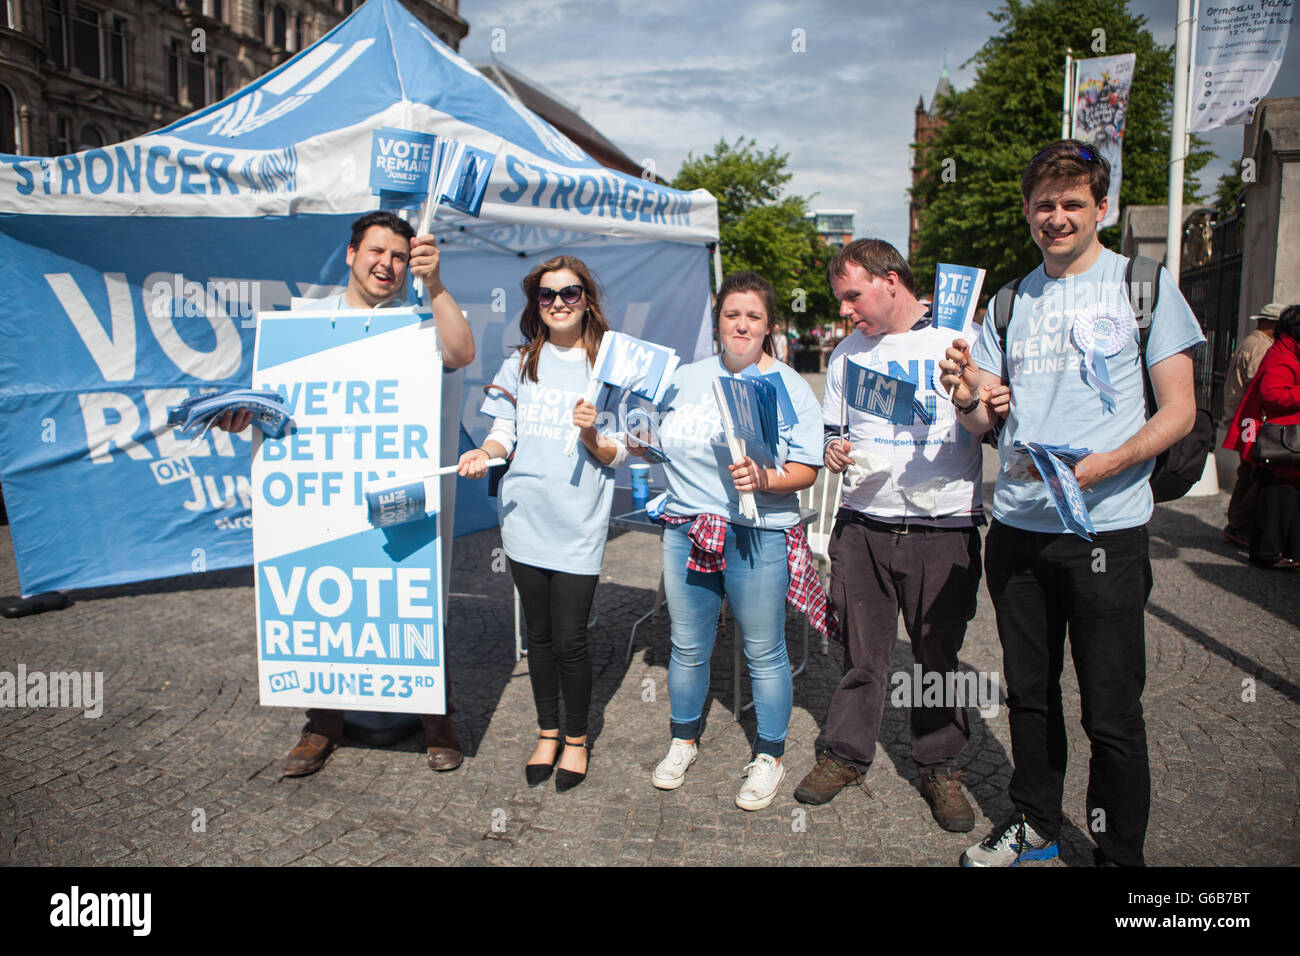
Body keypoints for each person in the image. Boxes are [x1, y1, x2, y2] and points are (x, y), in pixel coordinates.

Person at [941, 140, 1204, 867]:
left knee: (1111, 709)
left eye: (1072, 204)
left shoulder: (1141, 285)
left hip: (1106, 529)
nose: (1056, 218)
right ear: (1027, 211)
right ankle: (1036, 826)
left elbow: (1179, 409)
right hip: (1020, 528)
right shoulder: (1010, 298)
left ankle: (1121, 856)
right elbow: (981, 420)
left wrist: (1112, 462)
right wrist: (966, 394)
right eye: (1044, 205)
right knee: (1029, 693)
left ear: (1101, 209)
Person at [217, 210, 475, 776]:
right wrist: (243, 417)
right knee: (322, 593)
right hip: (323, 494)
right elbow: (271, 407)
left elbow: (461, 354)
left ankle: (436, 719)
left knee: (410, 595)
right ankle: (322, 723)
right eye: (377, 252)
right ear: (352, 254)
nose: (388, 265)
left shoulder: (417, 320)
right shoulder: (304, 325)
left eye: (400, 257)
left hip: (397, 492)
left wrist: (435, 285)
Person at [791, 239, 996, 835]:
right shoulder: (846, 355)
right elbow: (833, 434)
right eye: (840, 300)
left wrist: (971, 395)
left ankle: (938, 763)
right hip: (863, 525)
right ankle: (847, 753)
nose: (847, 310)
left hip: (944, 524)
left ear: (890, 280)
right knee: (861, 651)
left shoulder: (960, 337)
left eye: (853, 296)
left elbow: (989, 426)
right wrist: (833, 451)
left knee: (936, 655)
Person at [636, 271, 829, 811]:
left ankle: (769, 754)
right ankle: (682, 740)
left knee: (763, 649)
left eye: (753, 316)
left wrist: (765, 479)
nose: (741, 324)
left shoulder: (789, 386)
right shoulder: (685, 378)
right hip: (687, 527)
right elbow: (665, 446)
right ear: (717, 321)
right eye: (731, 314)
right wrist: (643, 442)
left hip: (758, 532)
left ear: (768, 326)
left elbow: (806, 468)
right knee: (688, 644)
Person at [457, 255, 625, 791]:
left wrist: (592, 435)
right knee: (539, 636)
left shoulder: (609, 366)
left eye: (569, 293)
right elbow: (503, 433)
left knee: (572, 640)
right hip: (524, 518)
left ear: (587, 300)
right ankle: (547, 732)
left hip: (577, 522)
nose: (557, 303)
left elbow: (620, 451)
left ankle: (576, 740)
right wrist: (484, 452)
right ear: (536, 303)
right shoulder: (520, 363)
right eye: (547, 295)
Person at [1223, 304, 1300, 569]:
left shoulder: (1276, 349)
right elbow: (1271, 393)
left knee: (1260, 486)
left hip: (1268, 434)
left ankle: (1250, 534)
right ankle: (1251, 538)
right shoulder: (1277, 353)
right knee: (1263, 489)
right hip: (1276, 437)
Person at [1221, 303, 1282, 547]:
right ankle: (1239, 524)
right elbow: (1263, 389)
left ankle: (1238, 523)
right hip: (1249, 420)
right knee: (1252, 473)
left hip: (1243, 418)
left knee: (1248, 472)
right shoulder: (1260, 347)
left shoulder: (1252, 343)